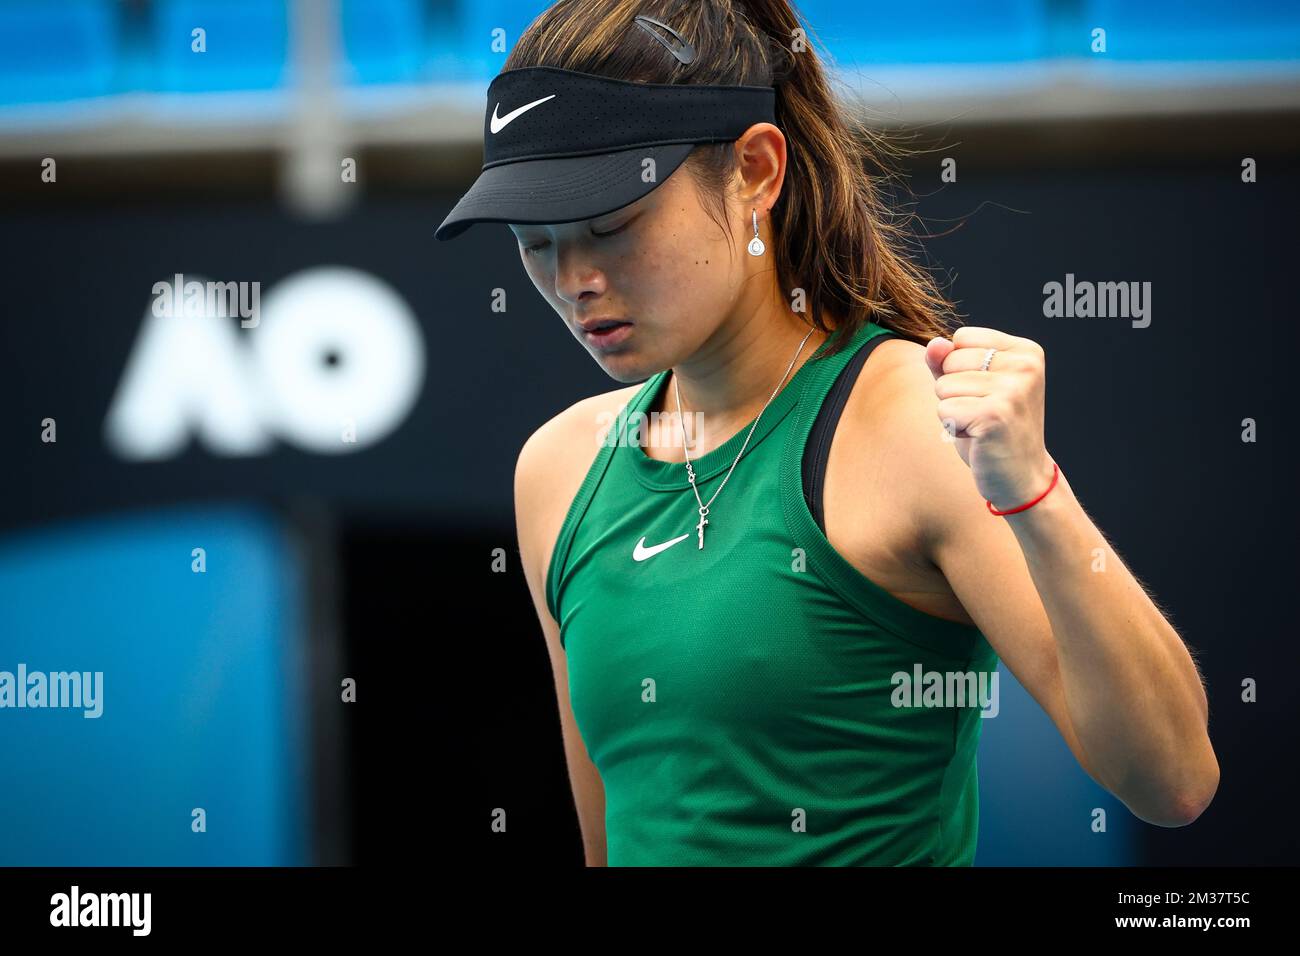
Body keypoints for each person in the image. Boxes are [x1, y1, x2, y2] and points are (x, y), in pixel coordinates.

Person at [436, 0, 1218, 866]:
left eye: (613, 224)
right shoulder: (557, 470)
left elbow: (1173, 781)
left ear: (755, 171)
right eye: (533, 241)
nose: (574, 279)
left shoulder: (918, 428)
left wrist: (1033, 488)